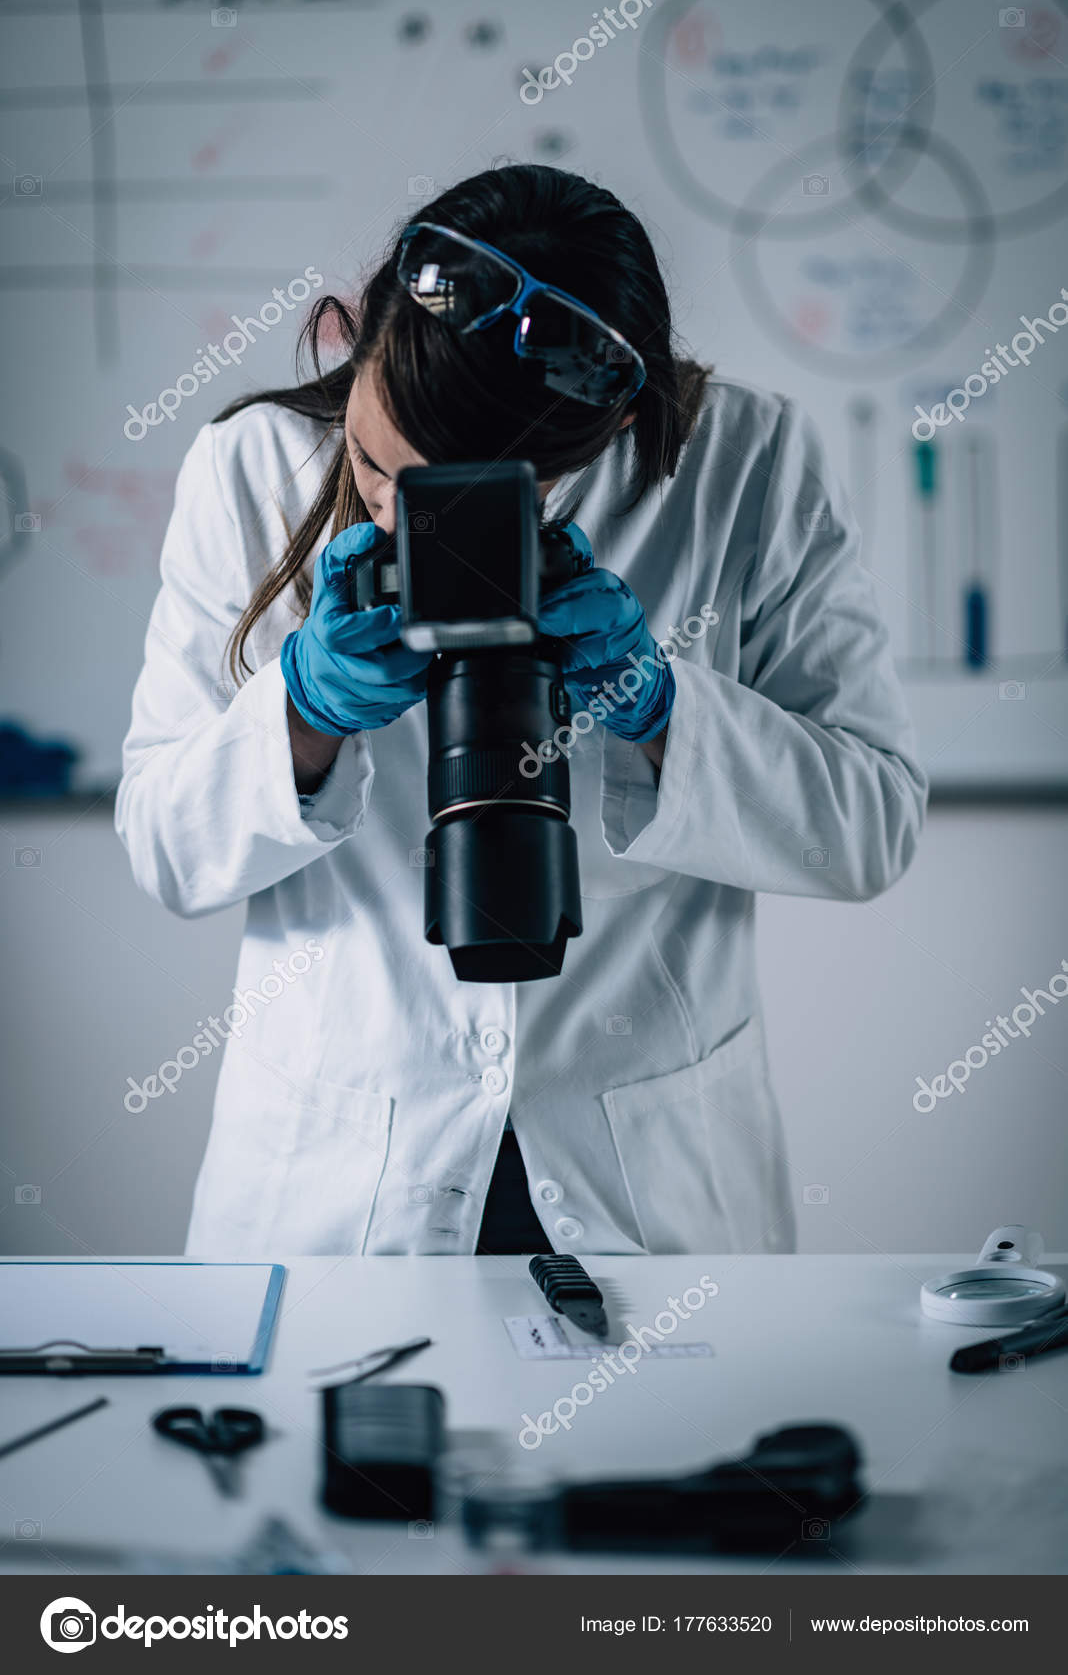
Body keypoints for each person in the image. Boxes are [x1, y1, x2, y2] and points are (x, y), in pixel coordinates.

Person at [116, 164, 926, 1258]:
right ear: (360, 336)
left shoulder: (747, 464)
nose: (408, 521)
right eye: (373, 464)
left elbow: (869, 826)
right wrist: (303, 714)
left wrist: (662, 709)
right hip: (335, 1181)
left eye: (472, 499)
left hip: (651, 1180)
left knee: (672, 1431)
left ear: (601, 437)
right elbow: (166, 847)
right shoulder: (250, 467)